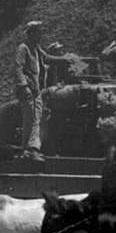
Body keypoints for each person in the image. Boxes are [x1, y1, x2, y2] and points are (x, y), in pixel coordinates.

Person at [14, 20, 68, 161]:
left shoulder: (36, 49)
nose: (41, 35)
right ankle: (31, 149)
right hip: (29, 89)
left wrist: (64, 59)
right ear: (31, 33)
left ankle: (26, 150)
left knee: (33, 119)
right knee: (34, 119)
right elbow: (18, 68)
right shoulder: (23, 48)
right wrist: (24, 86)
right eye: (38, 32)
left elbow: (47, 58)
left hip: (36, 89)